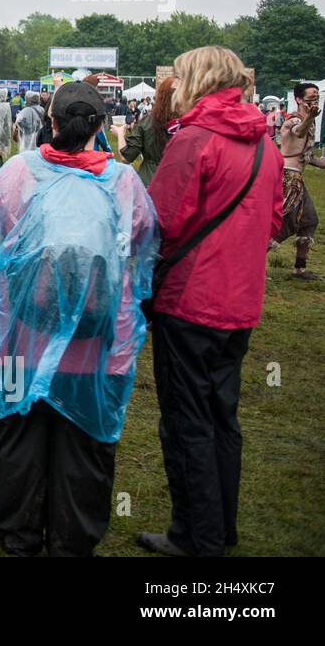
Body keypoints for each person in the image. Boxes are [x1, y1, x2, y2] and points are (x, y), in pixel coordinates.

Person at [0, 81, 159, 556]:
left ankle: (19, 535)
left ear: (51, 122)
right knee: (85, 442)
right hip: (95, 351)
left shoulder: (18, 173)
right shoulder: (124, 183)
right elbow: (142, 247)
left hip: (23, 342)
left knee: (17, 438)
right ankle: (73, 539)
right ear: (101, 127)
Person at [138, 46, 283, 558]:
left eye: (177, 77)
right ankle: (219, 527)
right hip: (239, 302)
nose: (171, 86)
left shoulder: (194, 140)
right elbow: (273, 223)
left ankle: (195, 538)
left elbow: (160, 221)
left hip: (190, 301)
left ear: (195, 81)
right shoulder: (267, 143)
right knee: (223, 418)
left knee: (186, 422)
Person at [270, 81, 322, 281]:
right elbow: (297, 132)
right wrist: (309, 118)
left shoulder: (310, 121)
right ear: (298, 99)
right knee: (285, 226)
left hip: (298, 178)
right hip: (288, 178)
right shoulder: (292, 120)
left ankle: (300, 269)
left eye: (316, 98)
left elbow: (307, 157)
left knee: (309, 221)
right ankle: (248, 266)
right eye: (310, 98)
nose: (314, 101)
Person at [112, 75, 178, 186]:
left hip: (150, 182)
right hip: (178, 183)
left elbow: (126, 157)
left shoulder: (147, 122)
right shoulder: (191, 123)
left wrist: (119, 133)